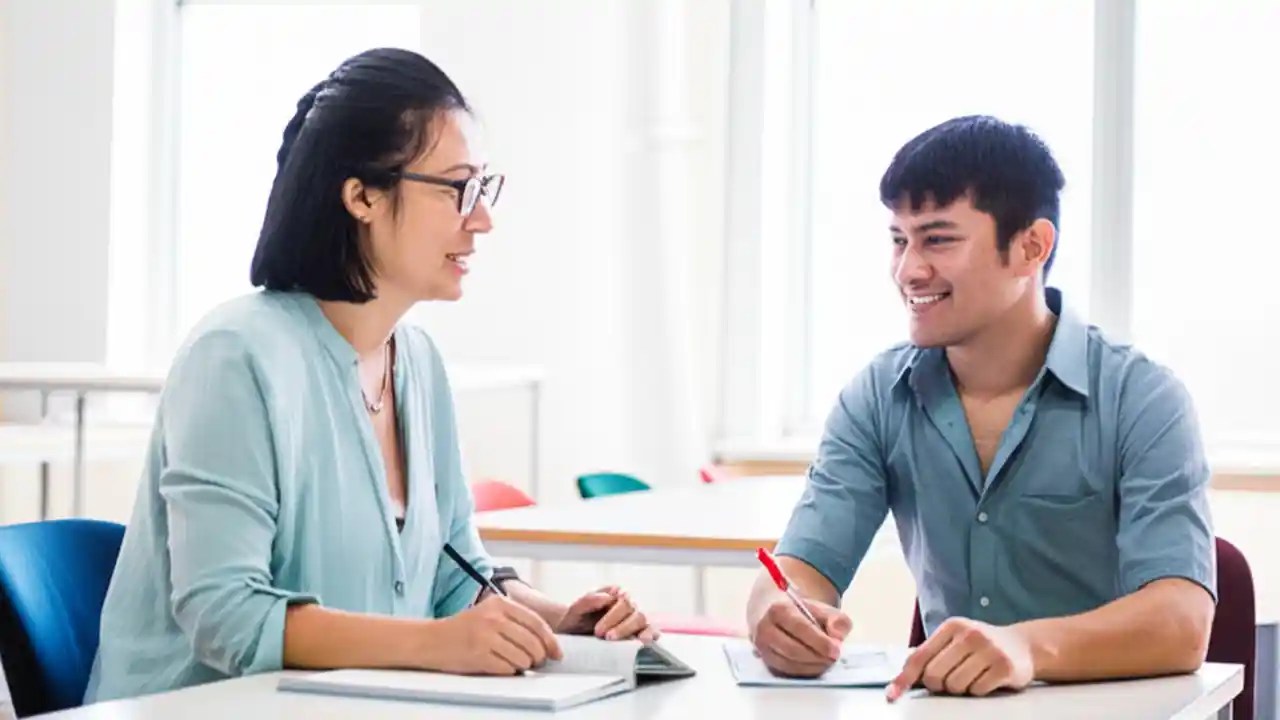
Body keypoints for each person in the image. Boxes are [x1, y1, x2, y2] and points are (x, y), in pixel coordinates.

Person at [85, 48, 656, 703]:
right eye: (457, 189)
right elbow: (227, 617)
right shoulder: (235, 356)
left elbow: (452, 572)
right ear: (360, 195)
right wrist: (437, 645)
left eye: (483, 188)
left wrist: (556, 623)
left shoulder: (419, 363)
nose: (483, 219)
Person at [746, 115, 1215, 700]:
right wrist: (777, 615)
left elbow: (1181, 623)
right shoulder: (876, 397)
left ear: (1031, 247)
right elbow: (801, 571)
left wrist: (1026, 646)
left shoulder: (1143, 400)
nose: (908, 269)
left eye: (938, 239)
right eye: (900, 239)